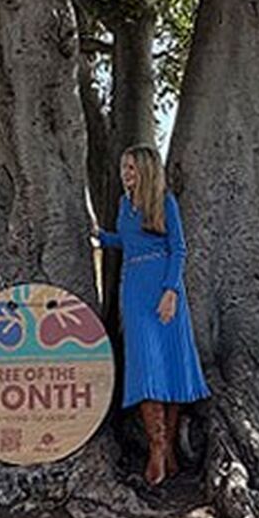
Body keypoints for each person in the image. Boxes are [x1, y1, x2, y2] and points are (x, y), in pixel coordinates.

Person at [94, 144, 210, 487]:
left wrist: (171, 291)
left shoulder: (164, 202)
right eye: (123, 168)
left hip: (164, 291)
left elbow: (179, 248)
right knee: (146, 369)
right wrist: (101, 237)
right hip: (134, 291)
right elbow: (128, 242)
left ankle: (167, 451)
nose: (125, 174)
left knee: (171, 368)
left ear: (145, 170)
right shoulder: (123, 205)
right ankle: (157, 448)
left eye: (131, 168)